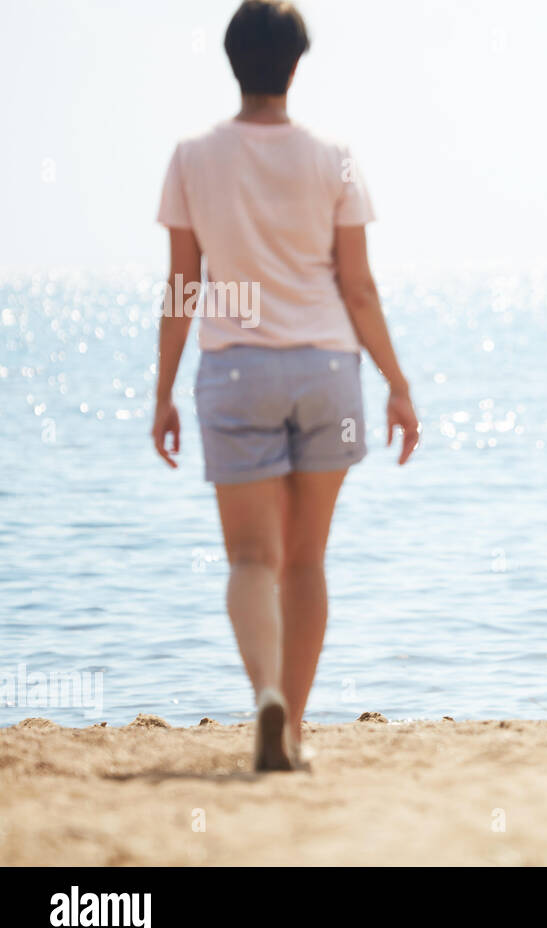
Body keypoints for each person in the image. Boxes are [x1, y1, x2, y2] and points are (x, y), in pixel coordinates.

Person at [150, 0, 420, 770]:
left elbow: (182, 287)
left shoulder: (191, 157)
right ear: (296, 65)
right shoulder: (334, 157)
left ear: (233, 62)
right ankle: (291, 734)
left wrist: (164, 392)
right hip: (328, 371)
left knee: (250, 561)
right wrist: (398, 386)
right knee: (307, 562)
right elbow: (358, 288)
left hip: (234, 371)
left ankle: (266, 694)